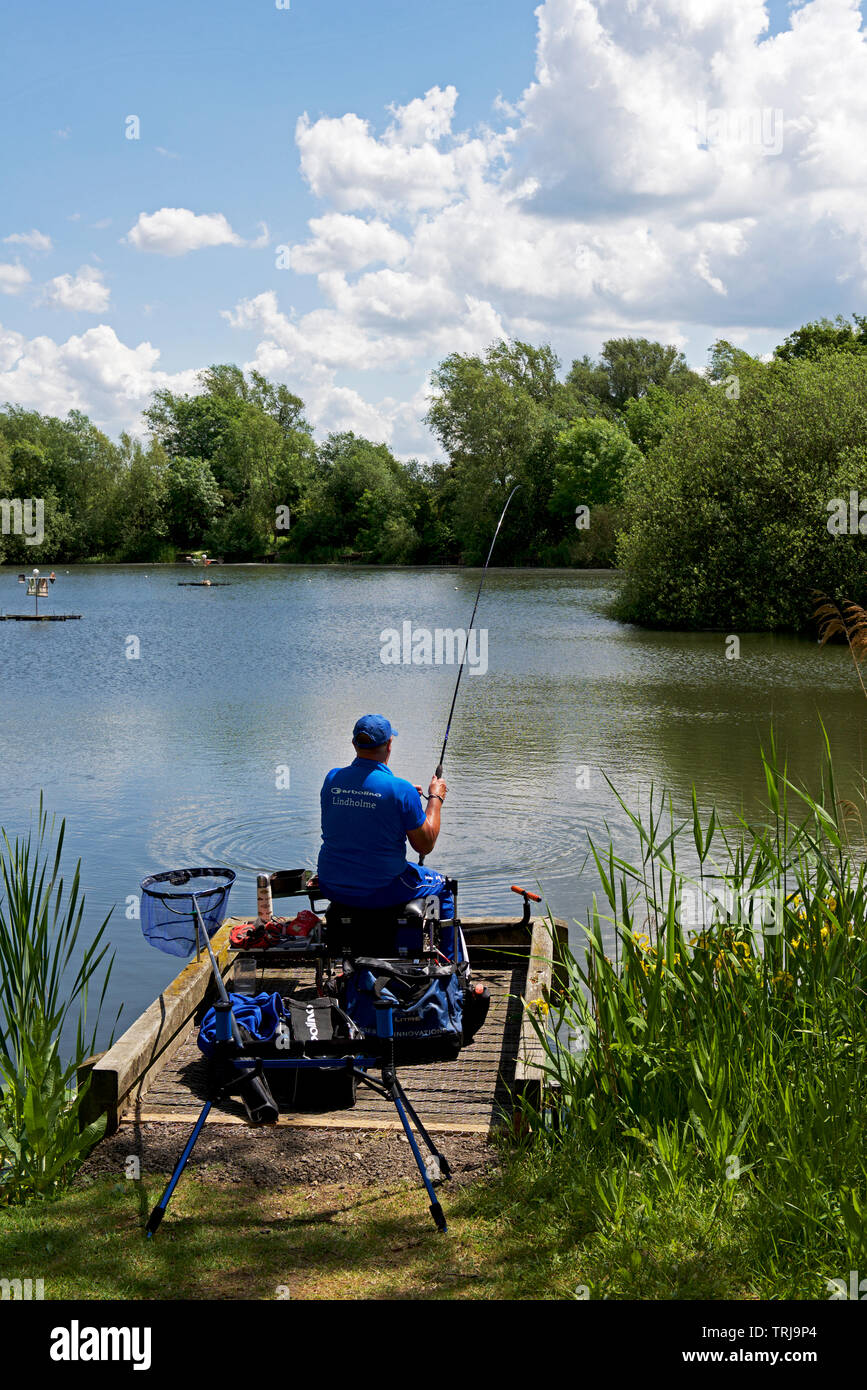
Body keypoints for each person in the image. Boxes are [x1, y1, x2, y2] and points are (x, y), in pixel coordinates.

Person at [317, 714, 453, 919]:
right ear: (389, 743)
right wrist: (435, 797)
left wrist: (403, 798)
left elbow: (360, 810)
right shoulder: (400, 790)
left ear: (354, 743)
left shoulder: (332, 779)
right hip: (381, 888)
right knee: (445, 887)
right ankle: (448, 952)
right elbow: (425, 845)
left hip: (331, 884)